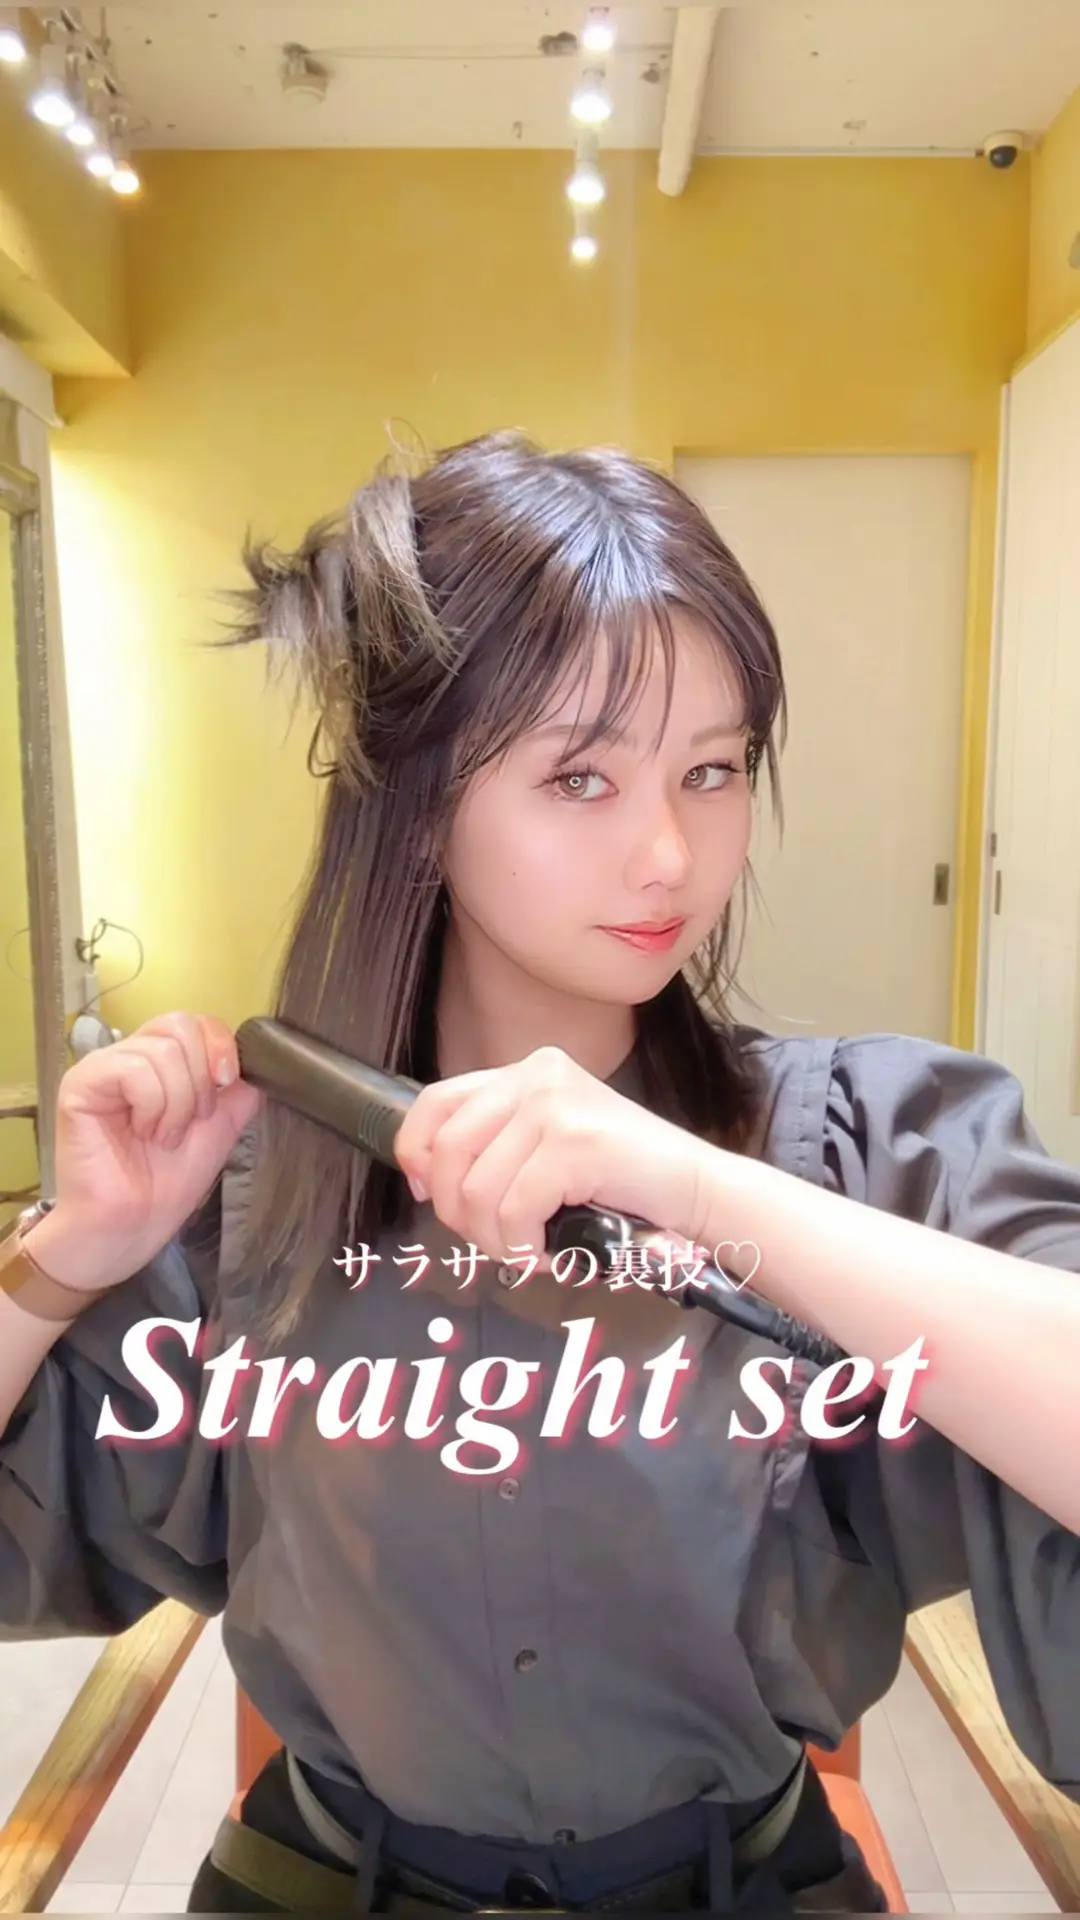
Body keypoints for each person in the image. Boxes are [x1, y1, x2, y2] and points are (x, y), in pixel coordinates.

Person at [1, 430, 1079, 1916]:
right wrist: (67, 1255)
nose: (669, 854)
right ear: (414, 797)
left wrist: (701, 1191)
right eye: (581, 777)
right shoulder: (249, 1187)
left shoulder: (861, 1144)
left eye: (712, 770)